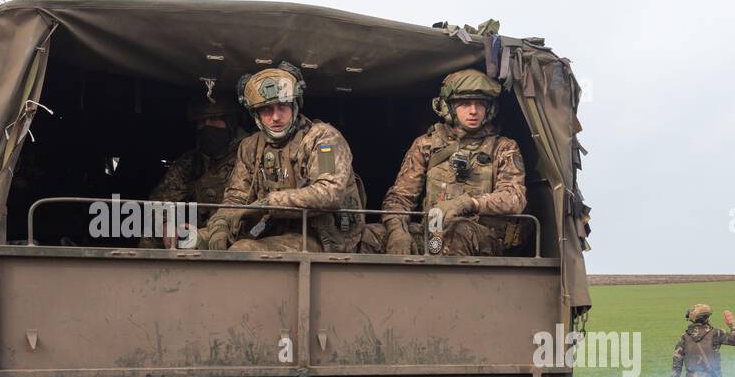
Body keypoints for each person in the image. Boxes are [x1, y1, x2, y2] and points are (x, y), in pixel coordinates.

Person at [203, 62, 363, 252]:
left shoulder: (323, 139)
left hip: (321, 236)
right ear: (256, 115)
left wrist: (267, 203)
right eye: (266, 110)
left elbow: (328, 193)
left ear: (295, 106)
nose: (276, 117)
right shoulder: (250, 146)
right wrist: (221, 223)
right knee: (190, 240)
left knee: (244, 250)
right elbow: (236, 197)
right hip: (267, 231)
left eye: (282, 107)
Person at [366, 69, 526, 256]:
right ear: (448, 107)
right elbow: (400, 197)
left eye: (480, 104)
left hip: (481, 237)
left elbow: (514, 197)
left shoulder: (503, 147)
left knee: (457, 231)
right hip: (432, 231)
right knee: (371, 236)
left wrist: (470, 203)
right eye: (465, 104)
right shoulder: (425, 144)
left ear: (489, 109)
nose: (473, 111)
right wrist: (397, 231)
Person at [141, 95, 244, 248]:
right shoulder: (190, 162)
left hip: (236, 228)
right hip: (199, 229)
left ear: (231, 123)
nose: (207, 126)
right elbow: (162, 199)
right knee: (150, 236)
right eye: (201, 122)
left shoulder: (246, 154)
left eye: (214, 119)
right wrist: (165, 223)